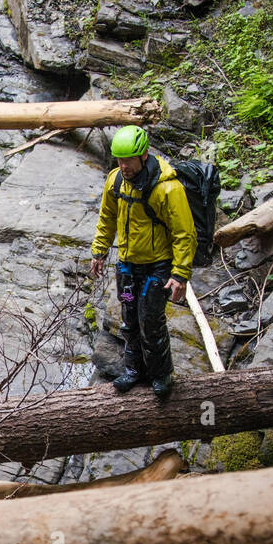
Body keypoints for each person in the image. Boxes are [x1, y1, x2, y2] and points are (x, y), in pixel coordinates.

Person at [89, 125, 196, 398]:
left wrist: (180, 273)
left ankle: (161, 374)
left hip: (157, 267)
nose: (124, 166)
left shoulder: (168, 189)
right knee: (128, 319)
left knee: (151, 321)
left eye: (129, 160)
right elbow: (106, 220)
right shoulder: (115, 182)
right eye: (119, 160)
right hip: (126, 266)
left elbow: (185, 234)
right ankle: (134, 370)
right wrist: (99, 251)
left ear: (144, 155)